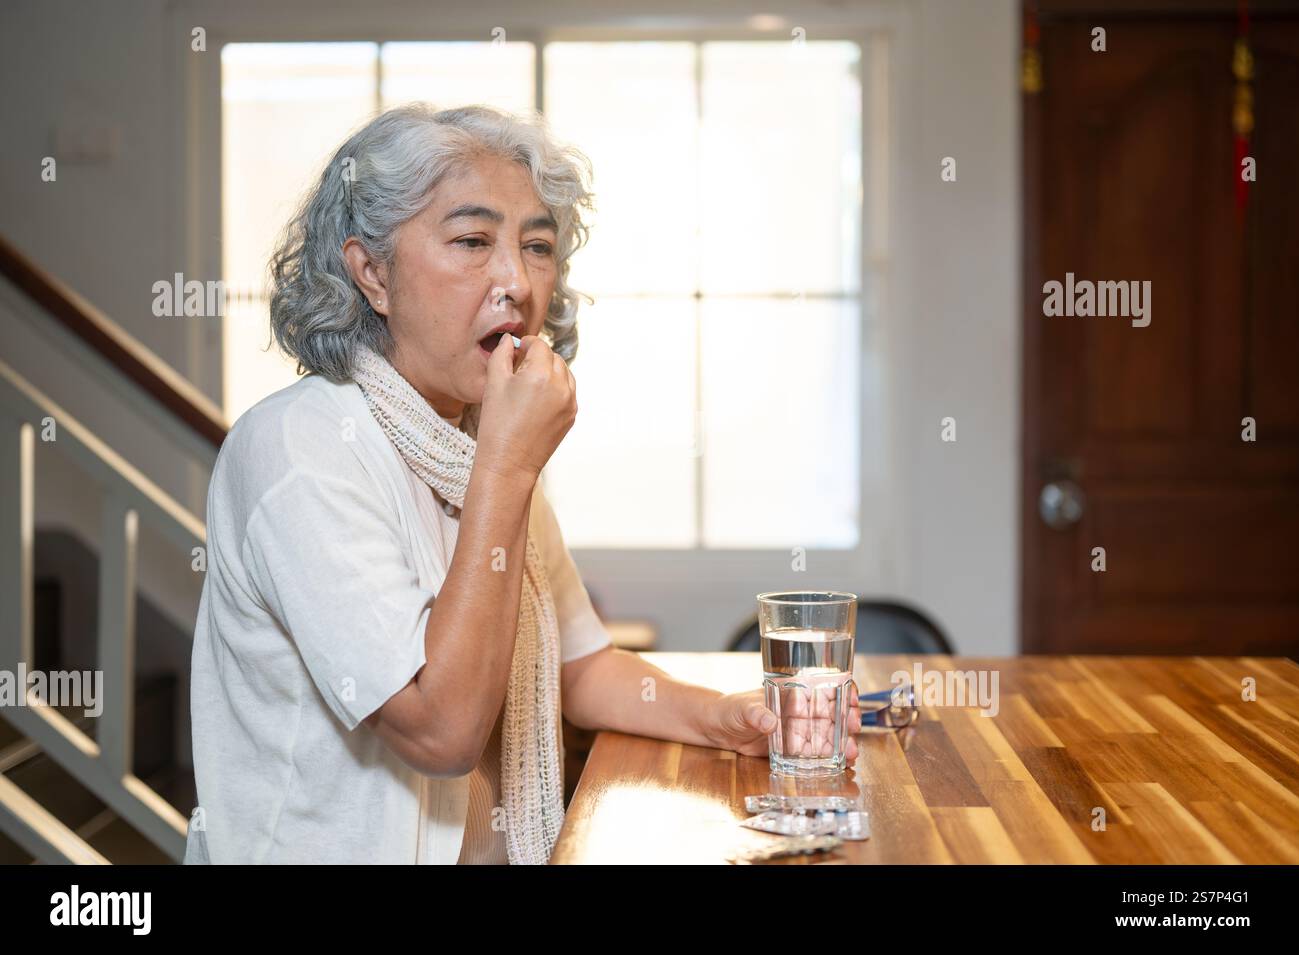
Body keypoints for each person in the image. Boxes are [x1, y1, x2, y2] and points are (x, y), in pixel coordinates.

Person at [184, 102, 859, 864]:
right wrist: (506, 466)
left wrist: (727, 718)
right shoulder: (298, 447)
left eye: (537, 246)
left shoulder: (477, 441)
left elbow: (583, 667)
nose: (516, 280)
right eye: (472, 240)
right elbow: (439, 729)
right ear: (372, 273)